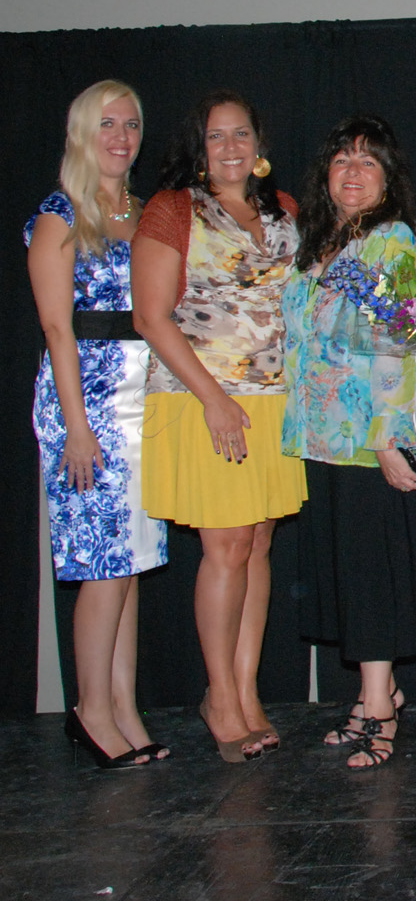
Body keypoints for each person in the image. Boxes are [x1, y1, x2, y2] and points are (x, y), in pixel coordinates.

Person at [132, 90, 306, 762]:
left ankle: (244, 686)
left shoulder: (284, 209)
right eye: (215, 136)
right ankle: (219, 698)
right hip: (203, 397)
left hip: (272, 401)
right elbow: (152, 317)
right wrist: (213, 398)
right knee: (226, 546)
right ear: (197, 149)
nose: (230, 146)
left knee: (258, 545)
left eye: (241, 134)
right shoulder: (172, 208)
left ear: (258, 145)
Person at [281, 115, 416, 769]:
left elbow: (401, 347)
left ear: (388, 180)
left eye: (368, 162)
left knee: (371, 576)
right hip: (318, 439)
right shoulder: (313, 243)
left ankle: (379, 707)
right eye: (342, 159)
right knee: (344, 575)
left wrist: (390, 438)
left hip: (370, 438)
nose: (352, 171)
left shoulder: (393, 244)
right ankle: (378, 688)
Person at [27, 81, 168, 769]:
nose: (121, 136)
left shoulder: (143, 213)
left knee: (130, 563)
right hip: (87, 405)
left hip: (145, 404)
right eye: (108, 123)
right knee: (103, 564)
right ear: (83, 131)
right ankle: (91, 711)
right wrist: (77, 426)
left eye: (132, 124)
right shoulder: (61, 213)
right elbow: (57, 327)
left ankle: (124, 707)